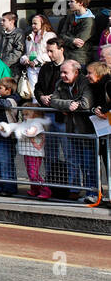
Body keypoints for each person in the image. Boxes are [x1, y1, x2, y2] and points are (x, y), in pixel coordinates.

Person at [51, 60, 96, 200]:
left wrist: (71, 106)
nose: (62, 75)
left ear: (76, 72)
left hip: (86, 129)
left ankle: (92, 192)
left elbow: (86, 103)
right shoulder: (60, 84)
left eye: (66, 72)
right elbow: (53, 101)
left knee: (89, 163)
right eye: (61, 72)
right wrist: (68, 104)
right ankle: (74, 190)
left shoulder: (84, 82)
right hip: (70, 128)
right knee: (73, 160)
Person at [0, 108, 52, 199]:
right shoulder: (24, 123)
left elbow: (30, 133)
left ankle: (45, 190)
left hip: (35, 154)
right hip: (27, 152)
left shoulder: (37, 123)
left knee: (33, 174)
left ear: (34, 114)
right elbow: (13, 126)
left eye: (26, 114)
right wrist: (0, 127)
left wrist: (21, 131)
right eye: (23, 115)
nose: (24, 117)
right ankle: (35, 189)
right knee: (30, 172)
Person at [57, 0, 96, 65]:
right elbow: (61, 35)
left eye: (72, 2)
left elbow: (79, 43)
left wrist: (68, 38)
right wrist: (72, 40)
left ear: (80, 3)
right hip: (66, 55)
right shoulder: (70, 17)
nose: (69, 4)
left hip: (81, 58)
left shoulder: (89, 20)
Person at [22, 14, 56, 93]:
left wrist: (37, 60)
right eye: (32, 24)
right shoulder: (29, 36)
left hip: (44, 67)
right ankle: (34, 104)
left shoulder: (50, 35)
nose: (33, 26)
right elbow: (27, 53)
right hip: (31, 68)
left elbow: (51, 53)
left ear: (43, 23)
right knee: (32, 90)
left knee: (45, 89)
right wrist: (25, 59)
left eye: (35, 23)